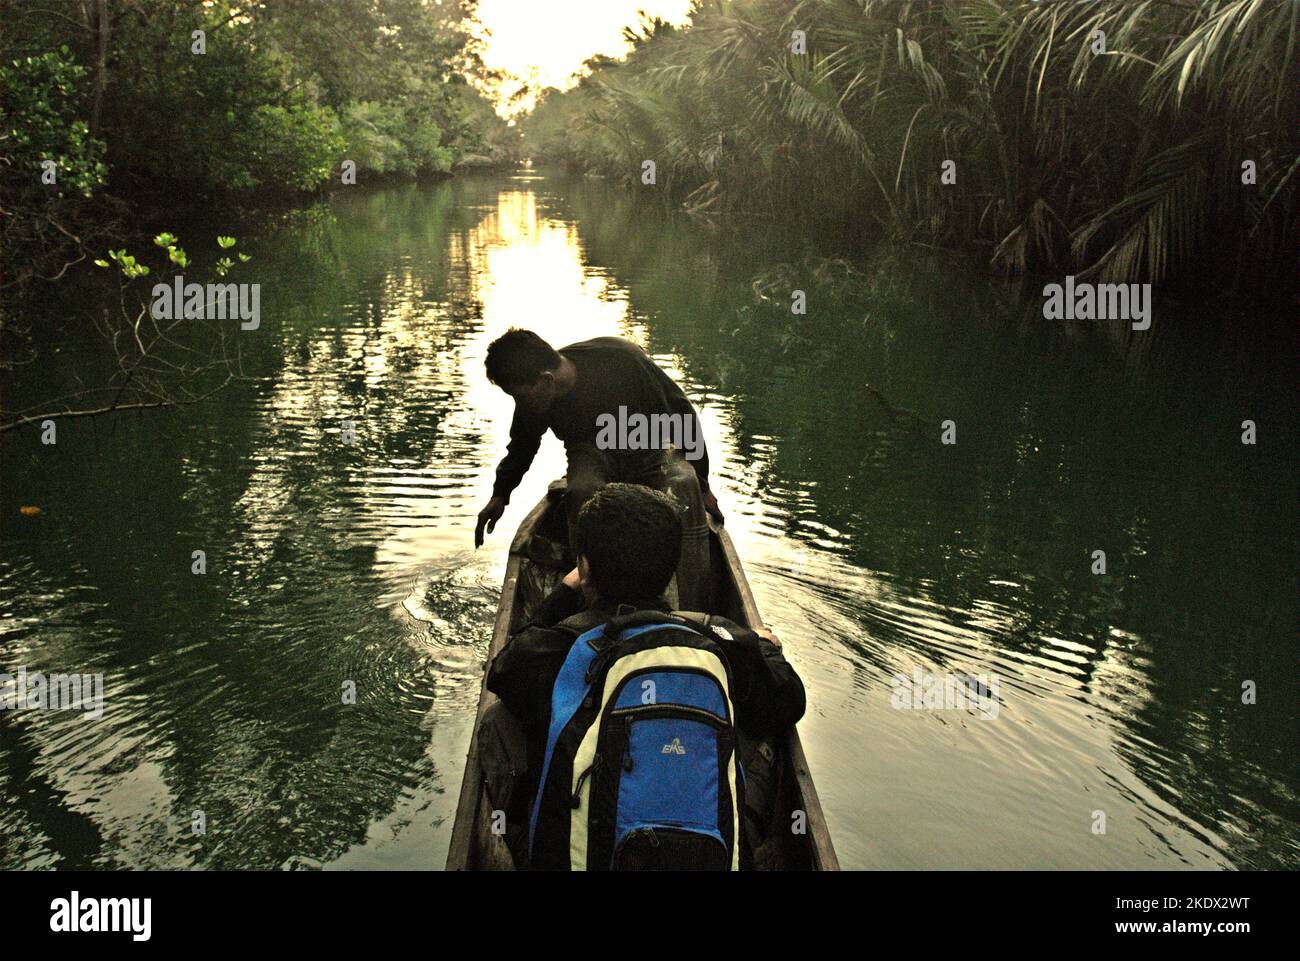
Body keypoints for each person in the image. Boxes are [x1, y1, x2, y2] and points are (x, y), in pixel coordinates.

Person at [477, 483, 805, 869]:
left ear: (584, 568)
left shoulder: (555, 651)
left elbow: (502, 668)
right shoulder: (718, 643)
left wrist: (564, 593)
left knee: (499, 720)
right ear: (669, 573)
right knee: (760, 728)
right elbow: (789, 700)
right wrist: (754, 642)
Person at [474, 329, 721, 609]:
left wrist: (703, 482)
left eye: (520, 396)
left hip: (649, 441)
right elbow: (522, 445)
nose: (519, 405)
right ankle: (591, 600)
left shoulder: (621, 360)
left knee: (685, 483)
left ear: (546, 380)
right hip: (590, 448)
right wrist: (500, 494)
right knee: (582, 491)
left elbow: (680, 414)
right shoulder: (534, 398)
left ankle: (693, 606)